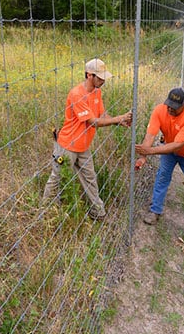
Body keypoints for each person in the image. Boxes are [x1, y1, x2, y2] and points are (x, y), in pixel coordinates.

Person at [43, 58, 132, 219]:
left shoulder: (97, 92)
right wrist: (117, 119)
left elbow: (102, 115)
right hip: (67, 146)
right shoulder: (77, 94)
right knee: (57, 178)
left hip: (83, 146)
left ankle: (98, 212)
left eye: (104, 77)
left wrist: (120, 122)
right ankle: (45, 212)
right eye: (100, 77)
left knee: (90, 179)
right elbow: (92, 122)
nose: (103, 80)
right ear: (89, 75)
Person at [134, 87, 184, 231]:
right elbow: (150, 135)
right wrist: (143, 156)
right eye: (169, 104)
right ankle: (155, 210)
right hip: (168, 150)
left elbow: (177, 146)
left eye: (175, 107)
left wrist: (150, 151)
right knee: (162, 177)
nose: (171, 109)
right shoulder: (160, 110)